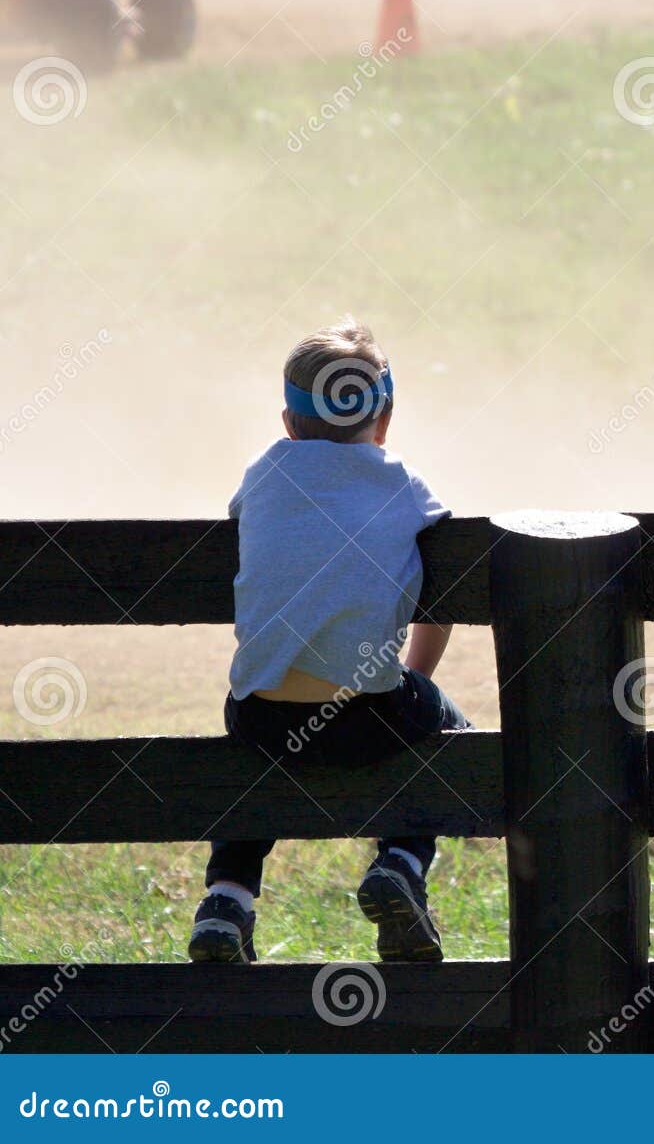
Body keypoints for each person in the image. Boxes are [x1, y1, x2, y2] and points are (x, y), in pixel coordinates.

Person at [188, 318, 467, 965]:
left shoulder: (264, 472)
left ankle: (227, 899)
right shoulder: (401, 482)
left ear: (288, 421)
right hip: (365, 714)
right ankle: (400, 861)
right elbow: (442, 605)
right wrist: (412, 681)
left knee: (253, 766)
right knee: (448, 731)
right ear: (385, 418)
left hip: (260, 712)